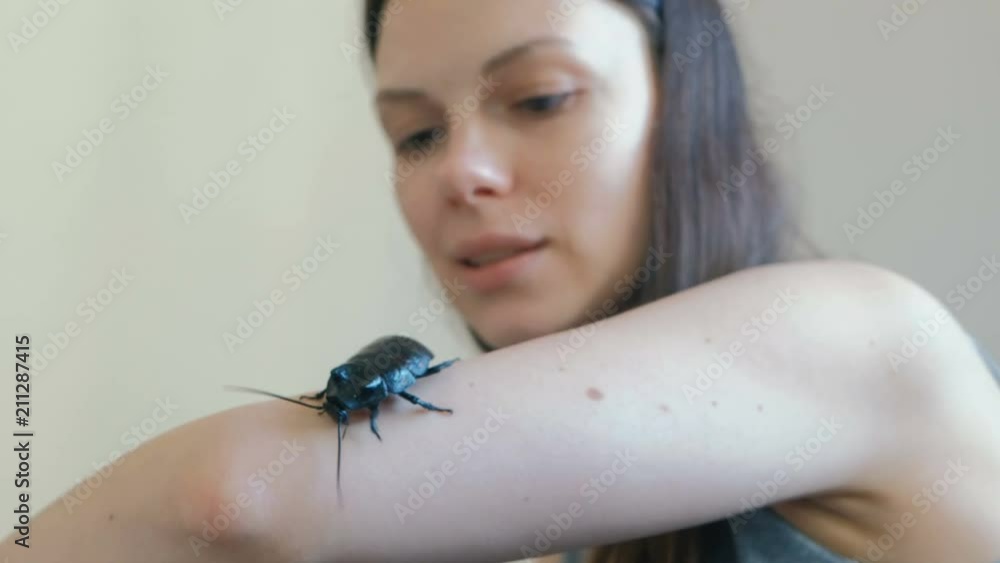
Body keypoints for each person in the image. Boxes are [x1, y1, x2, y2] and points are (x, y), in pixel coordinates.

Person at [6, 0, 998, 562]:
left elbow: (223, 501)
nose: (460, 172)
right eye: (414, 133)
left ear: (685, 101)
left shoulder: (864, 341)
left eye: (540, 97)